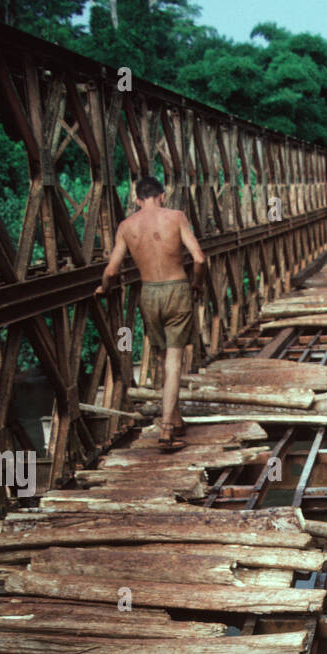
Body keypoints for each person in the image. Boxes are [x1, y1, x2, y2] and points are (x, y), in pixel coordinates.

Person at [95, 176, 206, 449]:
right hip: (177, 289)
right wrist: (197, 284)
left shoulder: (126, 226)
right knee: (174, 359)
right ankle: (167, 426)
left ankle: (175, 417)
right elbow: (200, 258)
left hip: (149, 293)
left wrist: (103, 287)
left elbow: (112, 270)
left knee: (160, 355)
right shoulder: (176, 217)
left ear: (137, 199)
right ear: (162, 196)